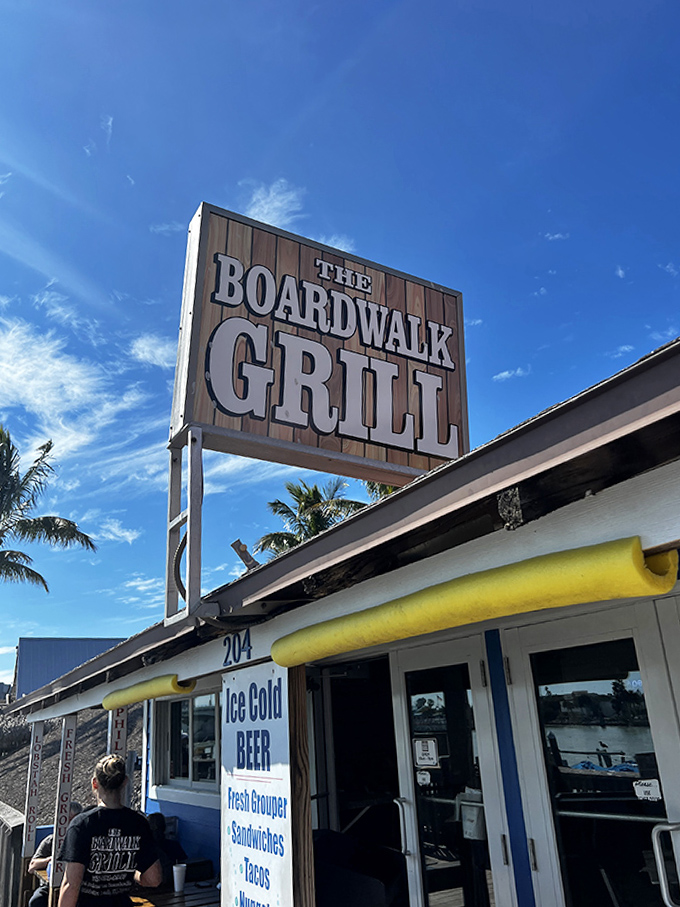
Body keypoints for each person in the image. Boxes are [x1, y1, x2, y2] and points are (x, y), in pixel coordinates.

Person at [58, 755, 162, 907]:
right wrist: (127, 874)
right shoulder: (138, 823)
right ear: (125, 782)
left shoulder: (81, 825)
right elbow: (154, 879)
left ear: (95, 783)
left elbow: (70, 886)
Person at [28, 803, 83, 907]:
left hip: (76, 887)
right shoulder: (51, 840)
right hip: (48, 886)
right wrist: (50, 860)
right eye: (67, 820)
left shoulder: (83, 842)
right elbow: (32, 866)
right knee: (36, 901)